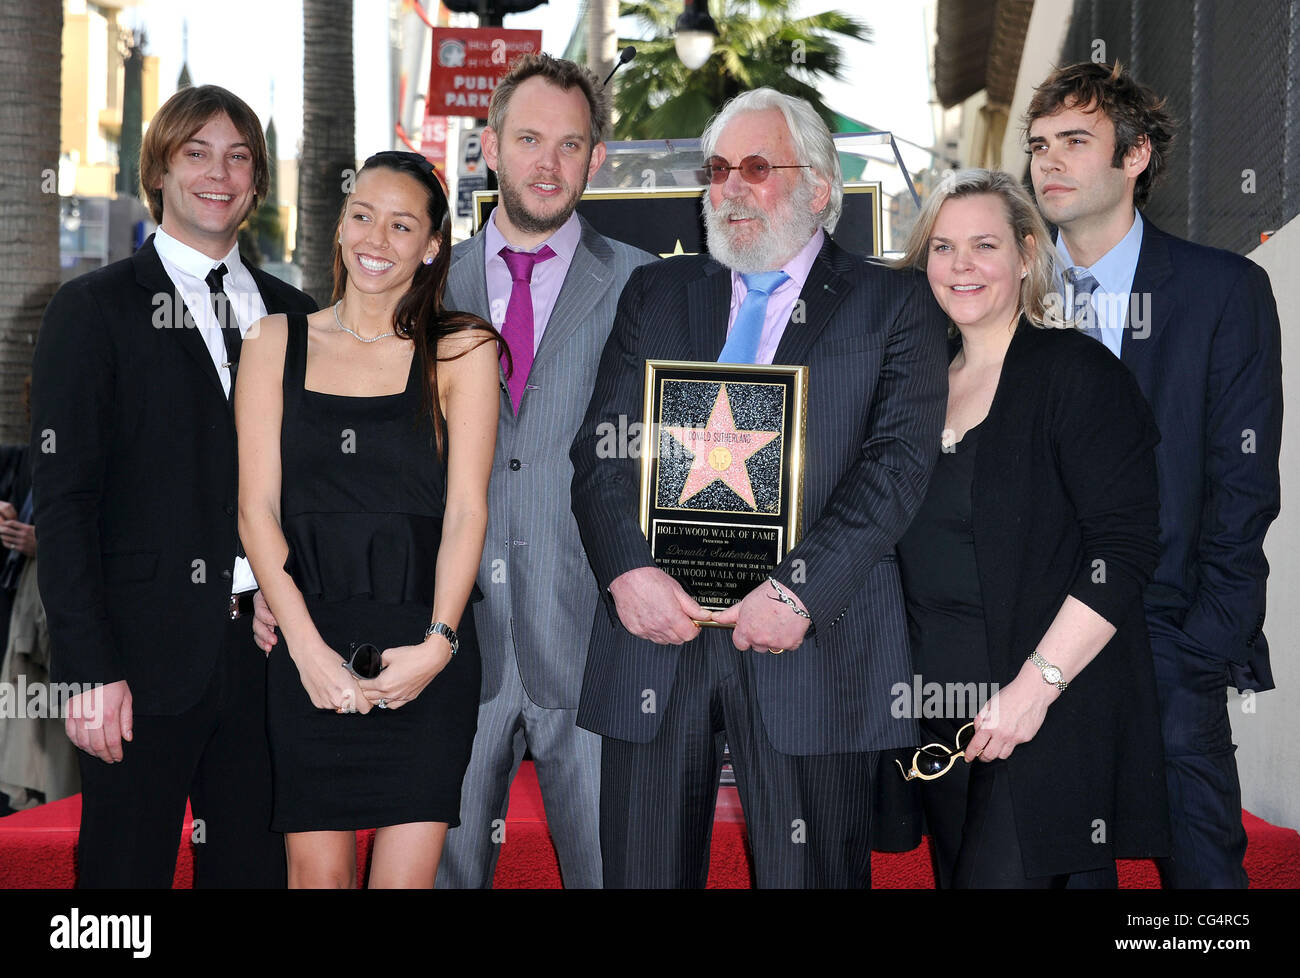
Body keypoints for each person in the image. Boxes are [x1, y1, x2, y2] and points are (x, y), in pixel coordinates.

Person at [569, 88, 948, 888]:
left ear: (818, 187)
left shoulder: (893, 304)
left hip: (813, 649)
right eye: (715, 170)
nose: (729, 188)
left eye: (754, 166)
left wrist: (797, 593)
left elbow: (896, 467)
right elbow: (603, 452)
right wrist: (628, 572)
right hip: (655, 643)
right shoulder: (657, 295)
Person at [30, 85, 316, 888]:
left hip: (268, 660)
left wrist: (289, 590)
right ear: (160, 169)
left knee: (255, 875)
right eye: (197, 152)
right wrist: (88, 669)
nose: (218, 174)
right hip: (137, 661)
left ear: (257, 182)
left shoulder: (298, 317)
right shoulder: (92, 310)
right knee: (121, 886)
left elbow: (318, 488)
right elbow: (66, 501)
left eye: (238, 157)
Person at [1026, 61, 1283, 888]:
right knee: (1068, 872)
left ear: (1134, 156)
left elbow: (1243, 483)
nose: (1049, 163)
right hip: (1038, 641)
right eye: (1038, 146)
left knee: (1203, 881)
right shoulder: (1005, 293)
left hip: (1171, 634)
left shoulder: (1222, 291)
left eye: (1075, 141)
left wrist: (1210, 637)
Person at [891, 168, 1169, 887]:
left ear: (1024, 255)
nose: (961, 266)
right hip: (938, 716)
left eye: (983, 245)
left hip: (1043, 710)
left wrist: (1033, 688)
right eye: (943, 248)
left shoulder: (1076, 372)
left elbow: (1125, 550)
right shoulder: (916, 385)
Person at [237, 150, 498, 888]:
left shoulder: (463, 348)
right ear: (341, 224)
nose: (375, 238)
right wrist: (306, 650)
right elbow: (255, 511)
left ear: (432, 245)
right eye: (362, 215)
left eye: (401, 224)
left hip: (424, 651)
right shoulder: (273, 341)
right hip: (307, 645)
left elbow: (467, 510)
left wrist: (439, 645)